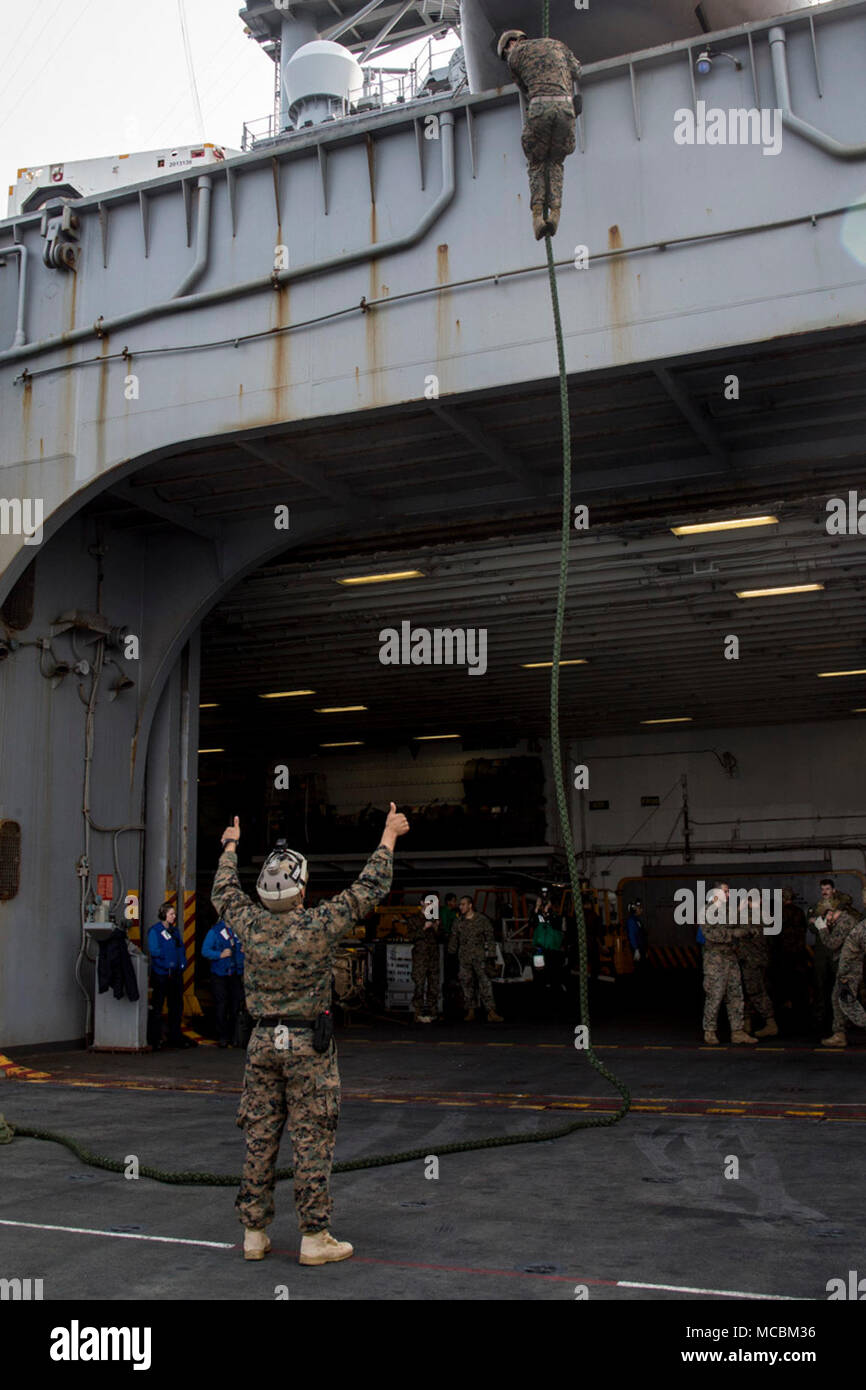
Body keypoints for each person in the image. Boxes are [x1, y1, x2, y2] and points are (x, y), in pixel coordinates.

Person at [212, 803, 409, 1265]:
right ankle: (313, 1236)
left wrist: (230, 844)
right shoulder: (318, 924)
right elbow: (369, 888)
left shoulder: (249, 923)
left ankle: (254, 1233)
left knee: (260, 1137)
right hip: (307, 1044)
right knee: (311, 1137)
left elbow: (224, 890)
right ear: (300, 892)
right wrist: (388, 835)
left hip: (261, 1043)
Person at [498, 29, 582, 240]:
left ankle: (537, 216)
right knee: (556, 161)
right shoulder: (558, 44)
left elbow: (525, 88)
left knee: (536, 161)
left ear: (510, 44)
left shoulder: (515, 57)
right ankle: (554, 213)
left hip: (540, 108)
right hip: (566, 110)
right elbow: (577, 71)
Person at [701, 883, 757, 1046]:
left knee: (736, 995)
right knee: (715, 995)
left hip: (731, 958)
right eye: (726, 891)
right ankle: (710, 1031)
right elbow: (710, 933)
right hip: (715, 960)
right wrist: (733, 933)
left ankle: (737, 1031)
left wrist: (749, 930)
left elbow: (741, 925)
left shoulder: (729, 911)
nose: (729, 894)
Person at [146, 902, 196, 1050]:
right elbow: (154, 951)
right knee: (158, 1006)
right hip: (161, 974)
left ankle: (175, 1037)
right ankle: (155, 1039)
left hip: (175, 974)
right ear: (164, 915)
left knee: (176, 1007)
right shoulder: (154, 931)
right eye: (171, 914)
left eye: (174, 914)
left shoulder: (175, 932)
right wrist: (167, 962)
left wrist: (181, 964)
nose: (174, 916)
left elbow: (181, 949)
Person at [808, 878, 853, 1035]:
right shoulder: (816, 907)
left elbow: (839, 924)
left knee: (840, 986)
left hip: (836, 950)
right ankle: (822, 1023)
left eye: (827, 889)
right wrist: (822, 922)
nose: (824, 892)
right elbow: (812, 927)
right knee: (820, 986)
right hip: (821, 951)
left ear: (833, 890)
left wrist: (821, 922)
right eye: (822, 889)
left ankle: (842, 1023)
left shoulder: (841, 905)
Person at [448, 894, 503, 1022]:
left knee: (485, 984)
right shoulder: (458, 922)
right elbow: (453, 939)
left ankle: (491, 1012)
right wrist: (450, 955)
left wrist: (492, 955)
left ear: (470, 905)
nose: (460, 907)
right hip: (464, 958)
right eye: (460, 904)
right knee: (466, 984)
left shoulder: (481, 920)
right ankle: (471, 1011)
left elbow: (490, 937)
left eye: (463, 904)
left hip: (479, 957)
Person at [815, 897, 861, 1047]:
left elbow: (832, 944)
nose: (826, 918)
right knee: (841, 999)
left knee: (844, 1001)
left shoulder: (845, 922)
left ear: (833, 911)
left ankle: (839, 1034)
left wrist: (822, 928)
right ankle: (839, 1033)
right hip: (847, 966)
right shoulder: (844, 920)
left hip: (849, 968)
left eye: (827, 914)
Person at [202, 917, 245, 1048]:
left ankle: (235, 1037)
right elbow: (205, 951)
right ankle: (222, 1036)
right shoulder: (214, 932)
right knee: (222, 1004)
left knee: (236, 1004)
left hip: (235, 973)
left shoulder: (238, 930)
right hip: (220, 974)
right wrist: (220, 954)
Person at [530, 889, 567, 1015]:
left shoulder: (558, 917)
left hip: (553, 953)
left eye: (548, 903)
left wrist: (547, 911)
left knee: (554, 978)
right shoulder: (539, 917)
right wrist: (537, 907)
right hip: (540, 951)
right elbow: (532, 922)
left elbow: (556, 925)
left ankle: (556, 1006)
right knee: (539, 978)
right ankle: (540, 1006)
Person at [409, 896, 441, 1023]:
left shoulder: (434, 918)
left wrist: (436, 927)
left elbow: (442, 936)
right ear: (422, 903)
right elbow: (410, 936)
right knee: (419, 984)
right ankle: (418, 1011)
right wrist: (423, 928)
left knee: (433, 984)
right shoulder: (414, 919)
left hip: (433, 957)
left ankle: (433, 1011)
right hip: (420, 957)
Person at [626, 900, 648, 974]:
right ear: (634, 909)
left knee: (643, 967)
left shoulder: (637, 920)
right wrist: (636, 949)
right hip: (638, 948)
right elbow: (632, 935)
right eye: (639, 908)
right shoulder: (631, 920)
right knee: (639, 969)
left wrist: (644, 949)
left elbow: (641, 935)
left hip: (641, 948)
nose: (641, 909)